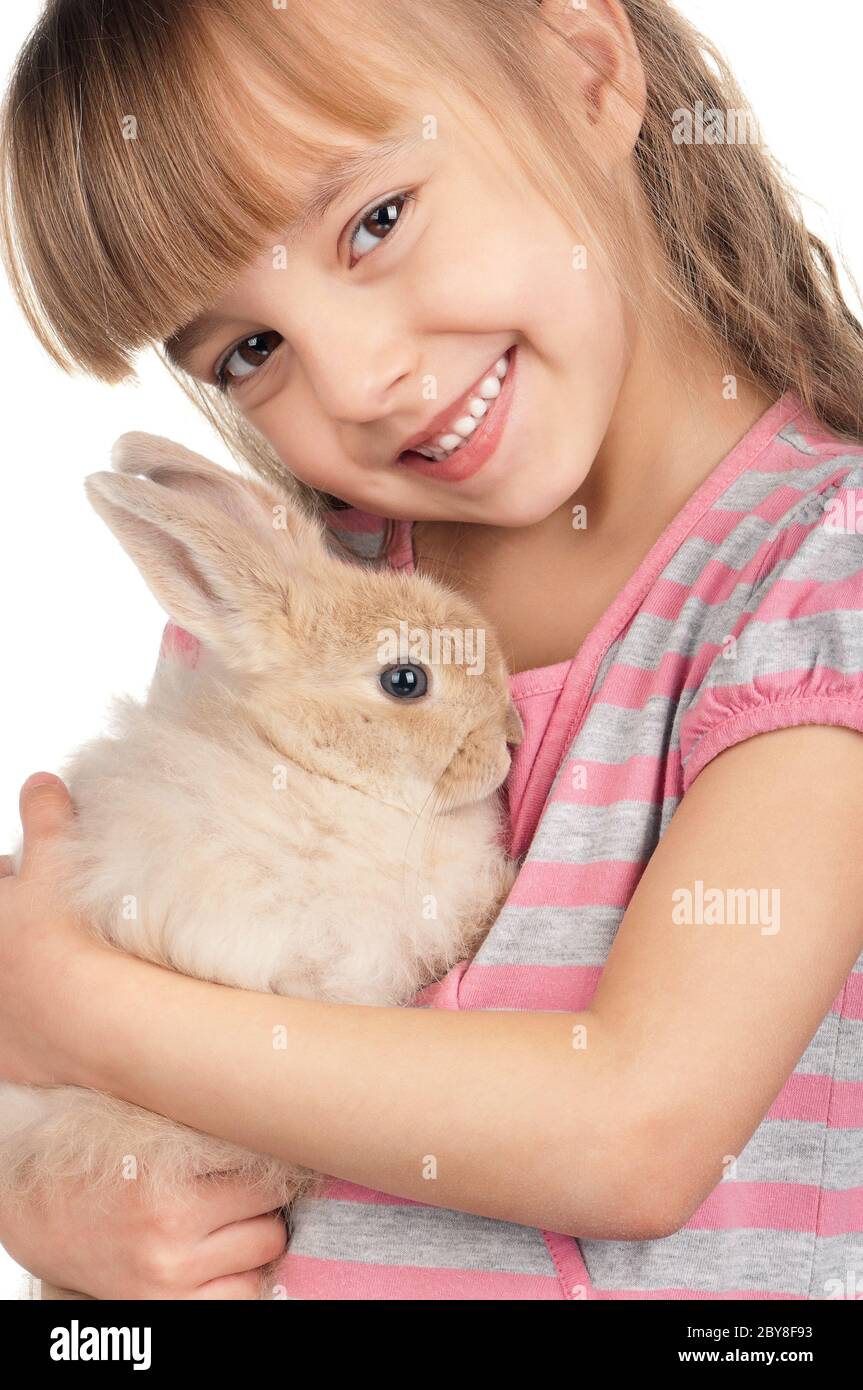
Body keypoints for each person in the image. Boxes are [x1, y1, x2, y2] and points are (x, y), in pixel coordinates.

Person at [0, 0, 861, 1299]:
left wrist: (89, 1019)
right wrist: (48, 1205)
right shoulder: (288, 622)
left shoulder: (817, 577)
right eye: (250, 350)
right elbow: (121, 1105)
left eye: (375, 222)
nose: (350, 379)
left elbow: (640, 1127)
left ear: (582, 65)